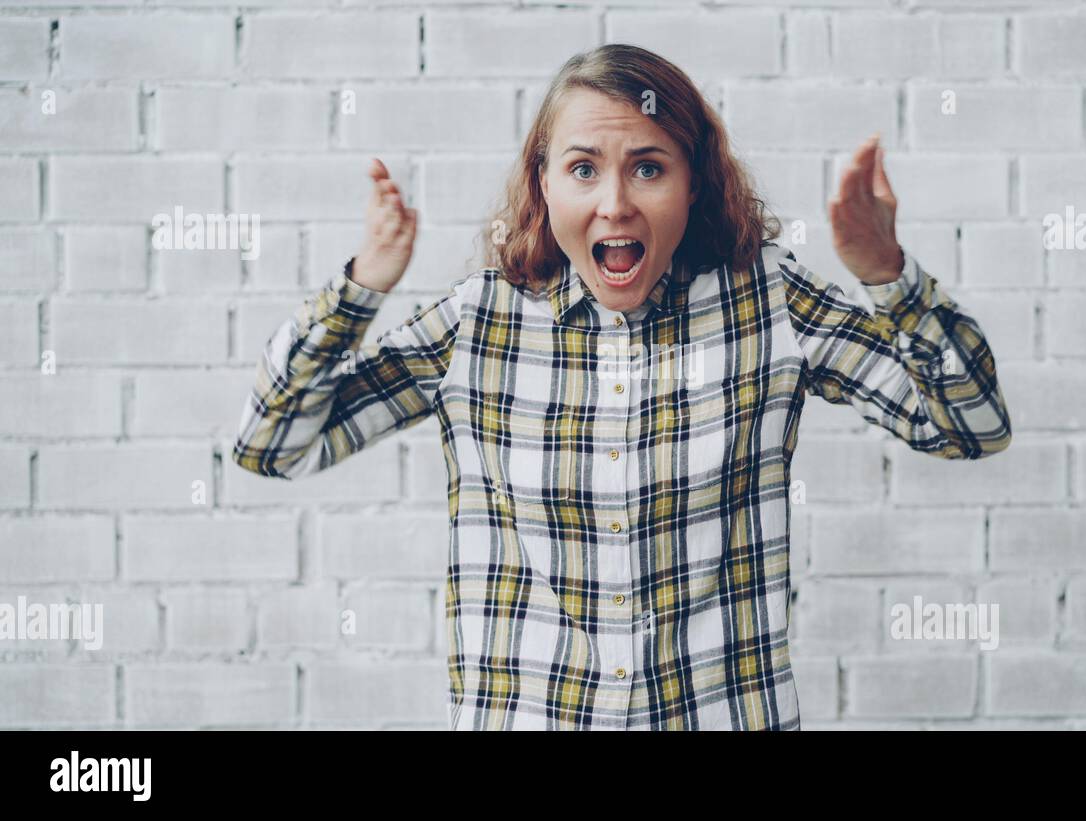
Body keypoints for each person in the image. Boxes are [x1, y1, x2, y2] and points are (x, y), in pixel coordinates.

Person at [231, 44, 1012, 730]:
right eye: (582, 169)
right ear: (543, 185)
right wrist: (362, 287)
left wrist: (888, 276)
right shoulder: (480, 320)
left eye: (648, 166)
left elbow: (971, 425)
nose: (614, 202)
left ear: (694, 182)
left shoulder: (766, 300)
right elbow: (270, 445)